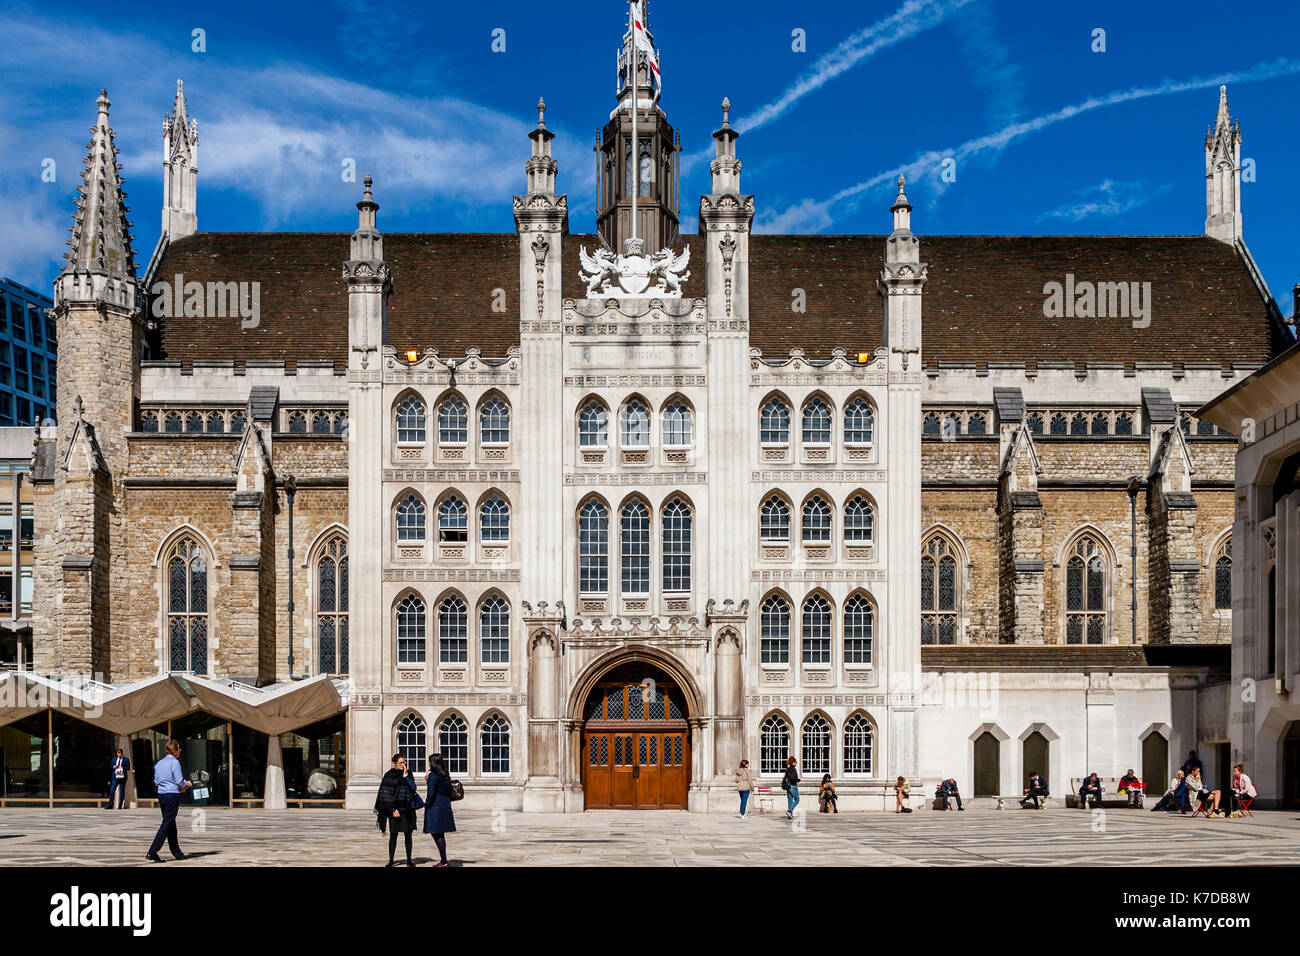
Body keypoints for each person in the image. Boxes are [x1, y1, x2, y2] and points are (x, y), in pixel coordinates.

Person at [145, 739, 191, 862]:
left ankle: (176, 852)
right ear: (175, 751)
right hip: (171, 795)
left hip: (162, 795)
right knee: (167, 823)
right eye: (179, 749)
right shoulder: (175, 762)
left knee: (170, 822)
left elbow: (156, 781)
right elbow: (179, 780)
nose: (180, 752)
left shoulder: (159, 763)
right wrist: (186, 784)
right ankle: (152, 851)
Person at [374, 754, 420, 866]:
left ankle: (409, 860)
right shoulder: (389, 775)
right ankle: (391, 861)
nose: (403, 765)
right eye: (400, 763)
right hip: (395, 811)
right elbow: (385, 793)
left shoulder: (408, 774)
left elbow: (413, 788)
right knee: (393, 835)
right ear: (394, 763)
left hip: (407, 809)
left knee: (408, 836)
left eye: (404, 762)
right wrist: (392, 809)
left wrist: (405, 777)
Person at [422, 753, 457, 867]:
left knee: (436, 833)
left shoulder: (433, 775)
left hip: (435, 806)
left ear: (433, 763)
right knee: (439, 834)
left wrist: (427, 804)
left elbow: (431, 793)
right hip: (444, 804)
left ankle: (444, 861)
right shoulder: (445, 774)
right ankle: (444, 860)